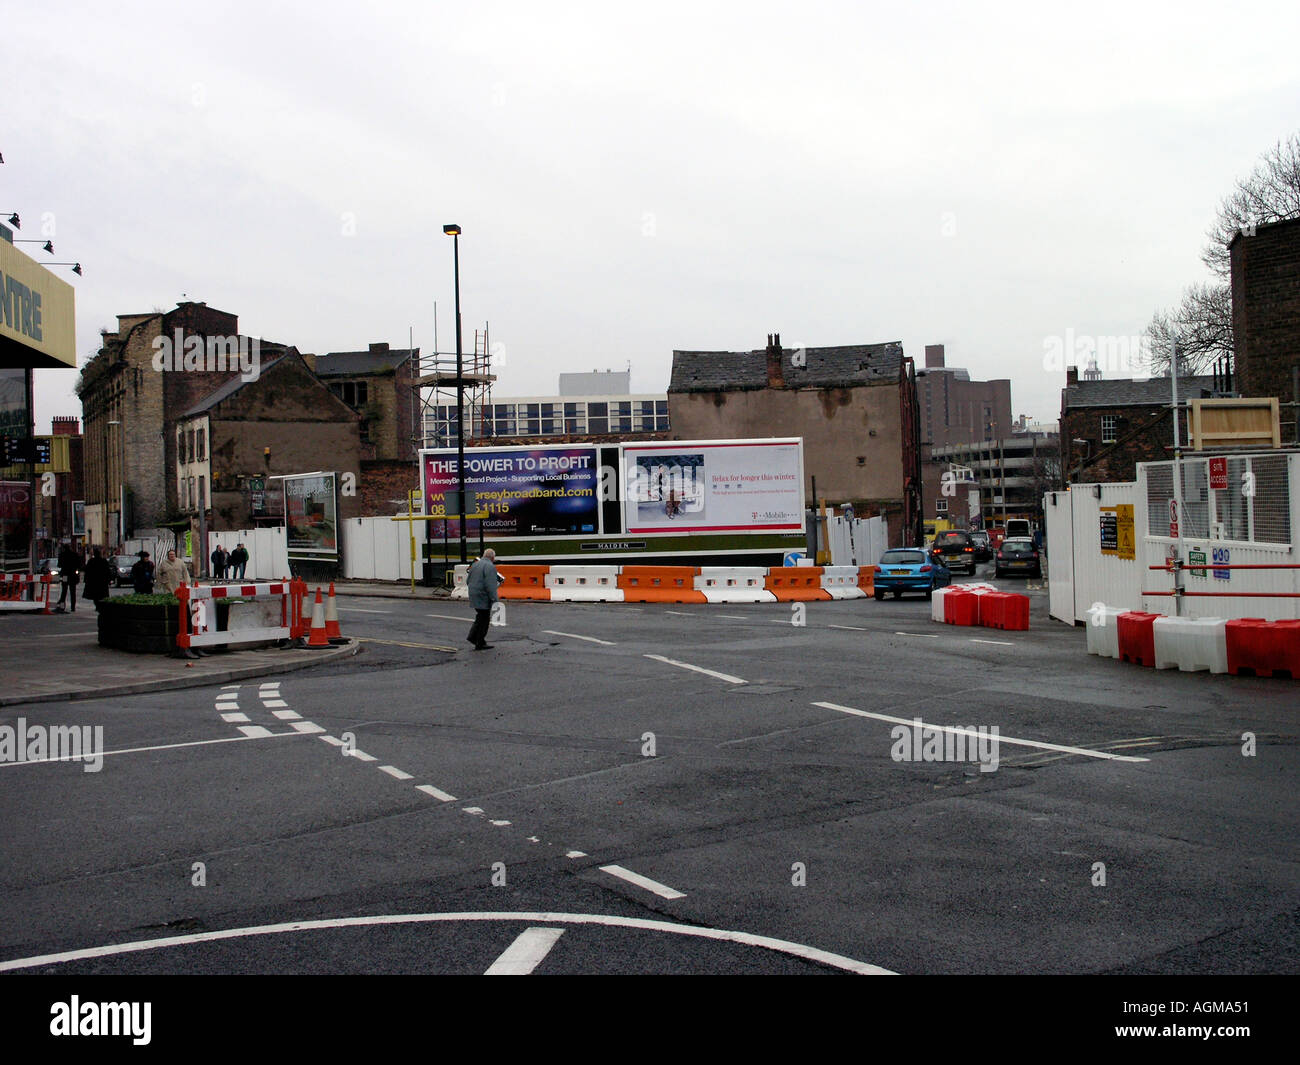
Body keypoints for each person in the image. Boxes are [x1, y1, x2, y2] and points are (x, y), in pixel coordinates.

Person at [465, 548, 501, 651]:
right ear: (492, 558)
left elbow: (468, 581)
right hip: (483, 595)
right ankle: (479, 642)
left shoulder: (475, 564)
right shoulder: (490, 567)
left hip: (473, 594)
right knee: (484, 619)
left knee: (480, 616)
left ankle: (473, 638)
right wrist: (495, 600)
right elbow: (490, 585)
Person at [56, 542, 82, 612]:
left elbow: (59, 565)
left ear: (64, 548)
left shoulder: (62, 555)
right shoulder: (75, 555)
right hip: (72, 575)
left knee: (64, 591)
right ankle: (73, 607)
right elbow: (79, 565)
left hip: (65, 575)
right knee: (73, 591)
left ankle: (62, 606)